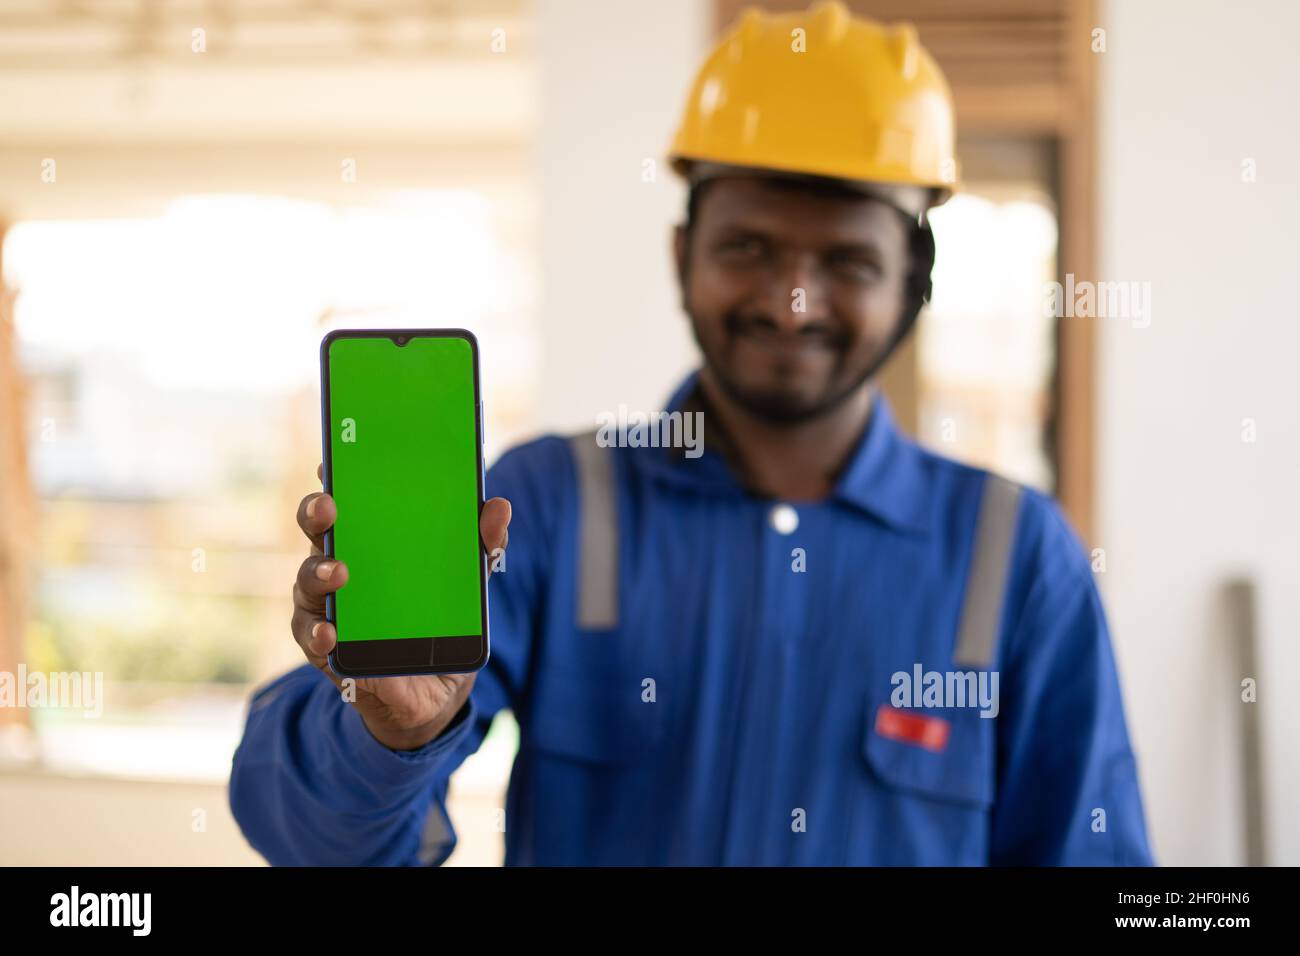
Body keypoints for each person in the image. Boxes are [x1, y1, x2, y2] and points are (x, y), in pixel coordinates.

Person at [229, 0, 1153, 866]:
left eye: (847, 261)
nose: (792, 302)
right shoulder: (551, 507)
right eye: (749, 247)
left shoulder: (1017, 560)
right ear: (683, 256)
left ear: (912, 285)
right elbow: (312, 836)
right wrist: (390, 736)